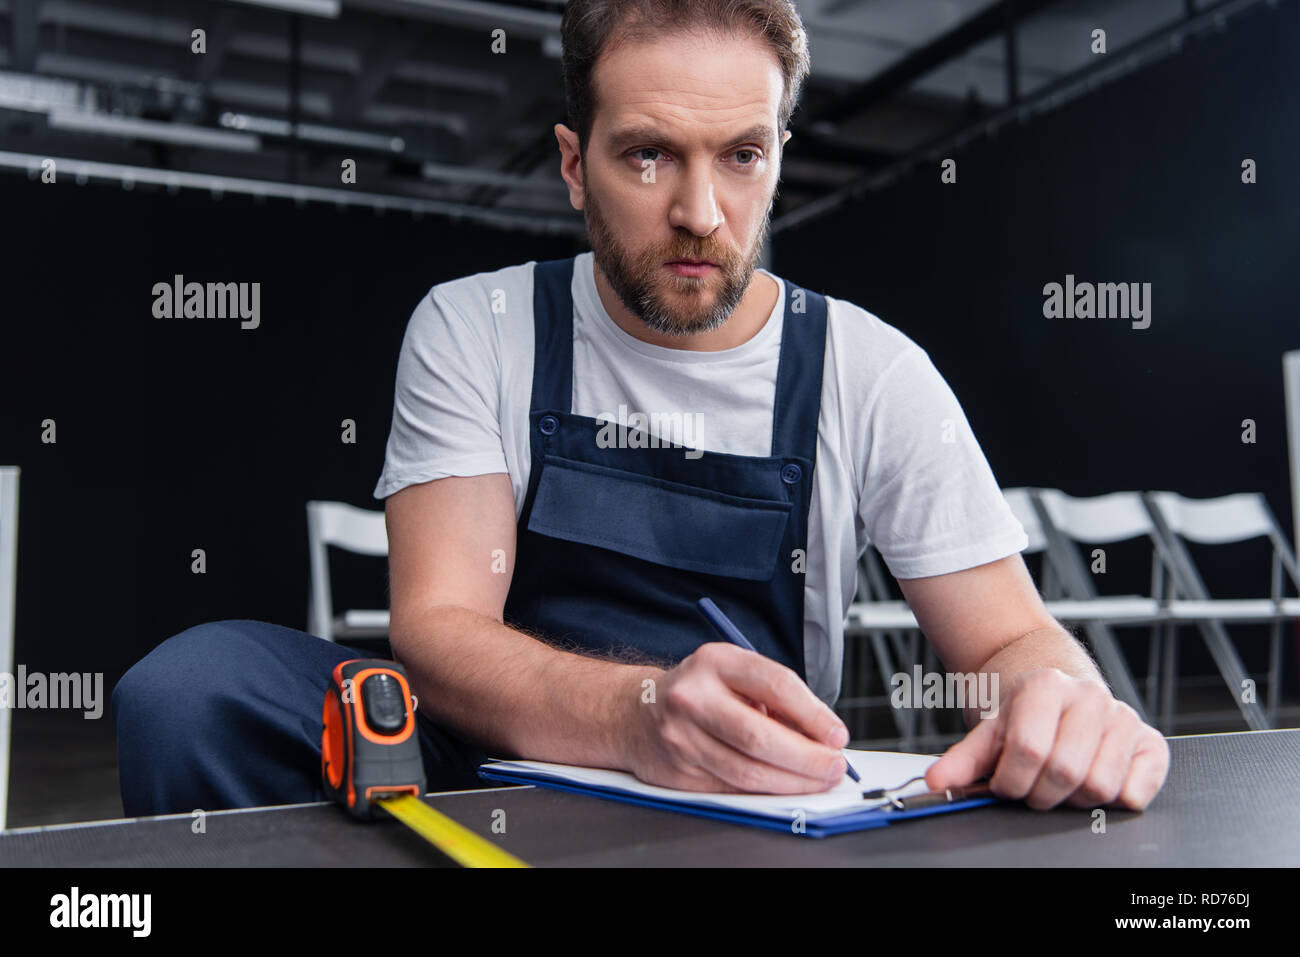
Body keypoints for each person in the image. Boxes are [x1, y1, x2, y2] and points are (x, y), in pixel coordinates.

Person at [113, 0, 1168, 817]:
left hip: (745, 803)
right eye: (648, 153)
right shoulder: (477, 325)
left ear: (778, 158)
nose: (700, 214)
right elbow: (436, 630)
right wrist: (641, 714)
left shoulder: (871, 370)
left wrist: (1058, 701)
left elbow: (1005, 644)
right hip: (485, 774)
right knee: (195, 692)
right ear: (574, 164)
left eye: (741, 155)